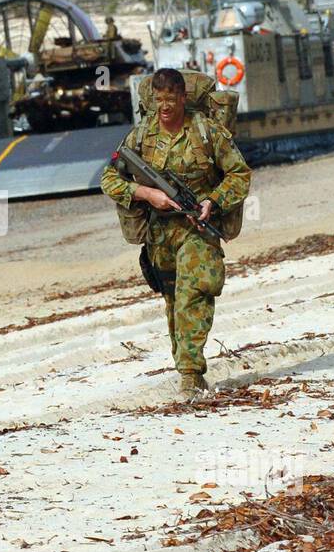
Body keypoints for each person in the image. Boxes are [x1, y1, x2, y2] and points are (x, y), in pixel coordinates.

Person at [100, 68, 252, 402]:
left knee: (192, 294)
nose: (164, 106)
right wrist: (145, 193)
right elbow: (109, 179)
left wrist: (213, 201)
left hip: (197, 228)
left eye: (171, 99)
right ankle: (184, 366)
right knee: (173, 305)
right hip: (160, 233)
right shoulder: (141, 136)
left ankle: (190, 375)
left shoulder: (207, 132)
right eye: (159, 100)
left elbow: (239, 174)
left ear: (183, 98)